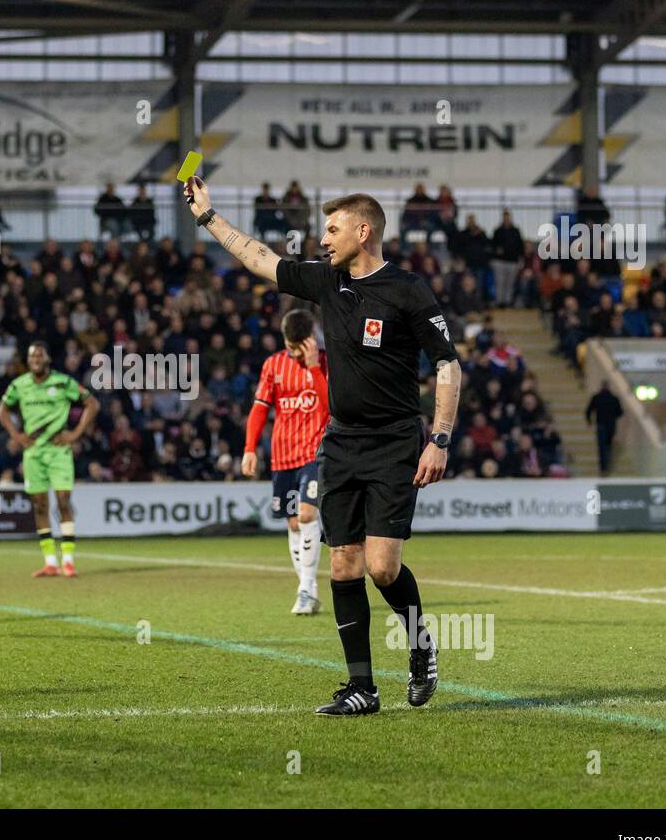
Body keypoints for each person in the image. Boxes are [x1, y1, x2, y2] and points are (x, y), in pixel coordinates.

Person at [184, 176, 461, 717]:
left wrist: (441, 438)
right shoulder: (326, 282)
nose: (323, 239)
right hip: (340, 442)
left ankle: (420, 647)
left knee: (382, 568)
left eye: (332, 229)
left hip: (396, 442)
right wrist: (207, 217)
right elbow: (260, 258)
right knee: (342, 565)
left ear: (364, 231)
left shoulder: (408, 290)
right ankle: (361, 687)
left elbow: (448, 365)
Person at [243, 308, 329, 615]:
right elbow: (259, 409)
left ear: (309, 340)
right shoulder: (273, 365)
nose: (293, 352)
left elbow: (330, 403)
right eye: (289, 346)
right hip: (282, 457)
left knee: (307, 515)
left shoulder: (326, 363)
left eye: (298, 346)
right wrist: (250, 448)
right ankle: (309, 587)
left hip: (315, 454)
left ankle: (305, 589)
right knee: (293, 523)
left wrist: (314, 367)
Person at [0, 341, 100, 577]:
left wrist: (75, 433)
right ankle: (50, 562)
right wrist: (16, 435)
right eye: (32, 357)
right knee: (40, 504)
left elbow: (92, 403)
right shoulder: (19, 385)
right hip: (33, 453)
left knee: (63, 500)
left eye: (39, 356)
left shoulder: (63, 382)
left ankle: (69, 560)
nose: (35, 360)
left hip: (58, 451)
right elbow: (2, 409)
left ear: (47, 359)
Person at [584, 380, 623, 474]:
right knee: (608, 447)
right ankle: (607, 467)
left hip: (601, 426)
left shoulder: (597, 397)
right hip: (611, 426)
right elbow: (620, 412)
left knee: (602, 447)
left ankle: (603, 468)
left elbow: (588, 411)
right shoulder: (614, 398)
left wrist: (589, 421)